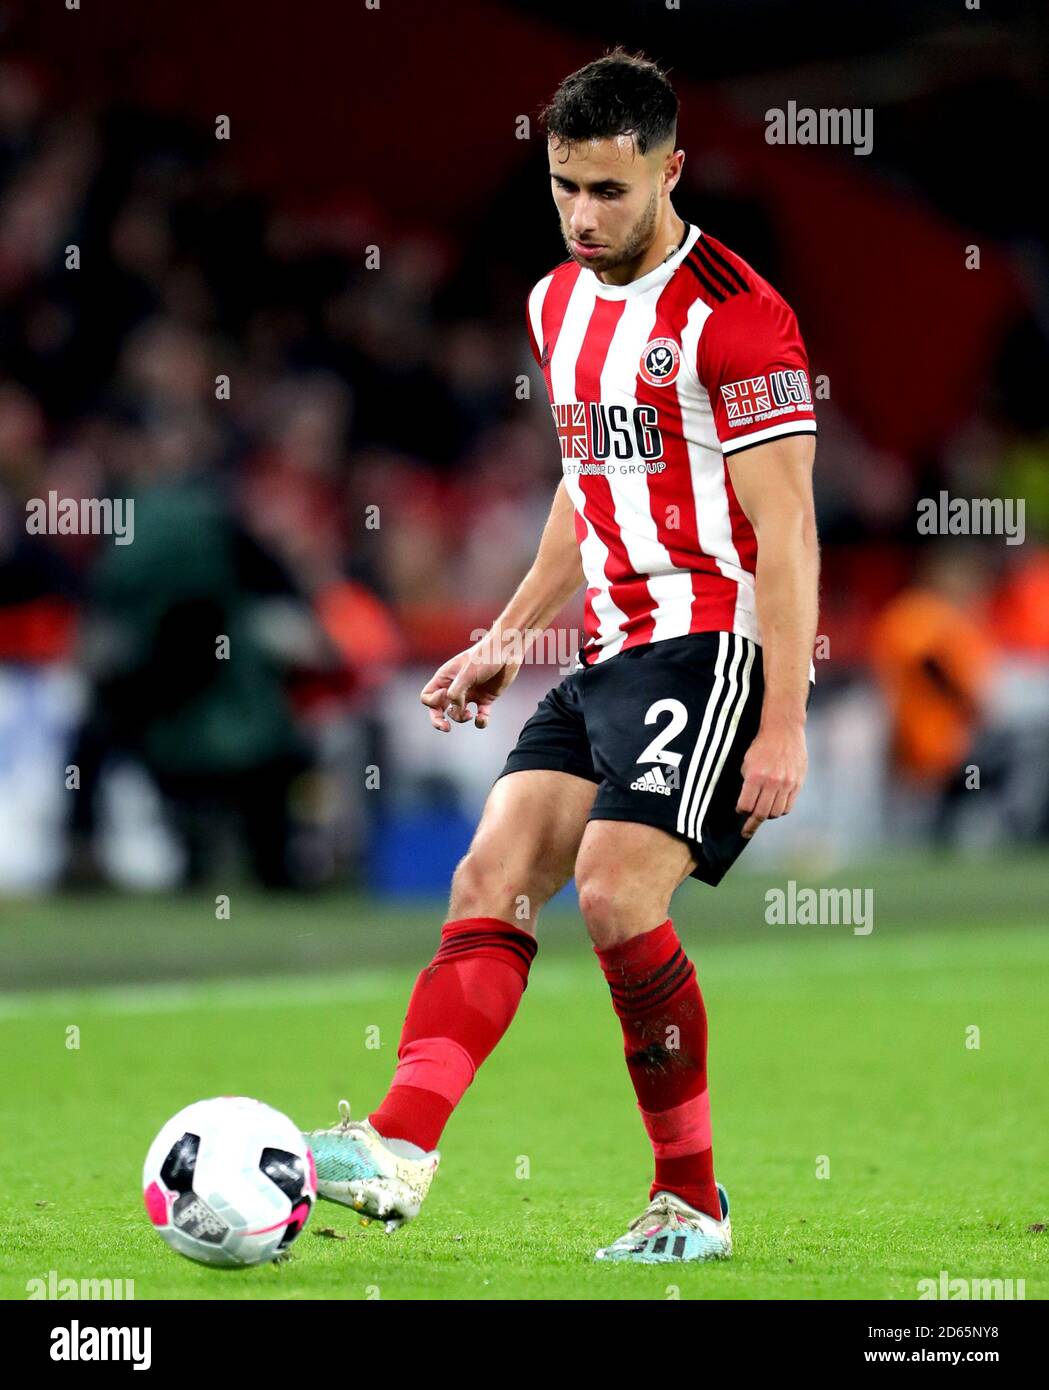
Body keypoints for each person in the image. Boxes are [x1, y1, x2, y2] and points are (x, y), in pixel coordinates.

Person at [306, 49, 820, 1264]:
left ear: (668, 170)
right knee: (489, 880)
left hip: (710, 644)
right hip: (602, 650)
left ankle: (688, 1201)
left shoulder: (737, 320)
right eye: (562, 188)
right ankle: (396, 1148)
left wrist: (786, 714)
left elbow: (788, 530)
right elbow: (586, 485)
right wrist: (504, 637)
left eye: (607, 189)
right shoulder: (552, 303)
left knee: (611, 890)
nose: (582, 216)